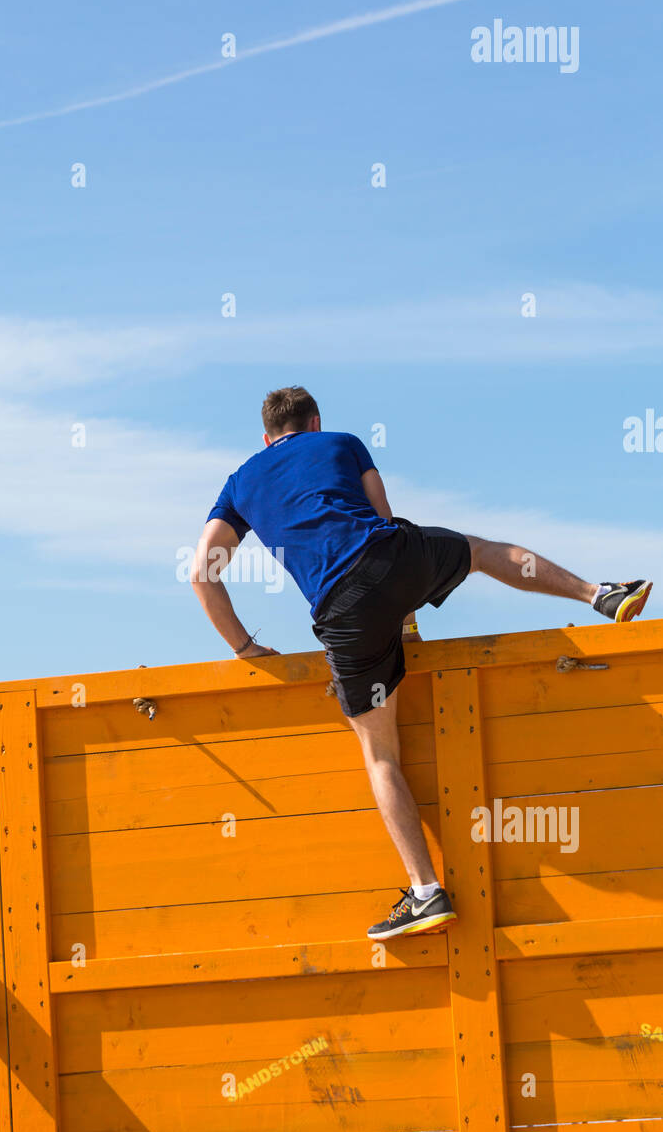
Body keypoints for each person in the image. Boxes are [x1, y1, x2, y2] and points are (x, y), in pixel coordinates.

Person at [190, 386, 652, 940]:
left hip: (343, 608)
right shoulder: (342, 443)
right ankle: (598, 593)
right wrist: (405, 615)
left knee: (381, 754)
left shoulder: (240, 482)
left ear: (266, 437)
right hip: (393, 555)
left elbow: (203, 572)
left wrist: (245, 647)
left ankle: (427, 893)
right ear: (314, 422)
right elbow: (383, 517)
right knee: (479, 550)